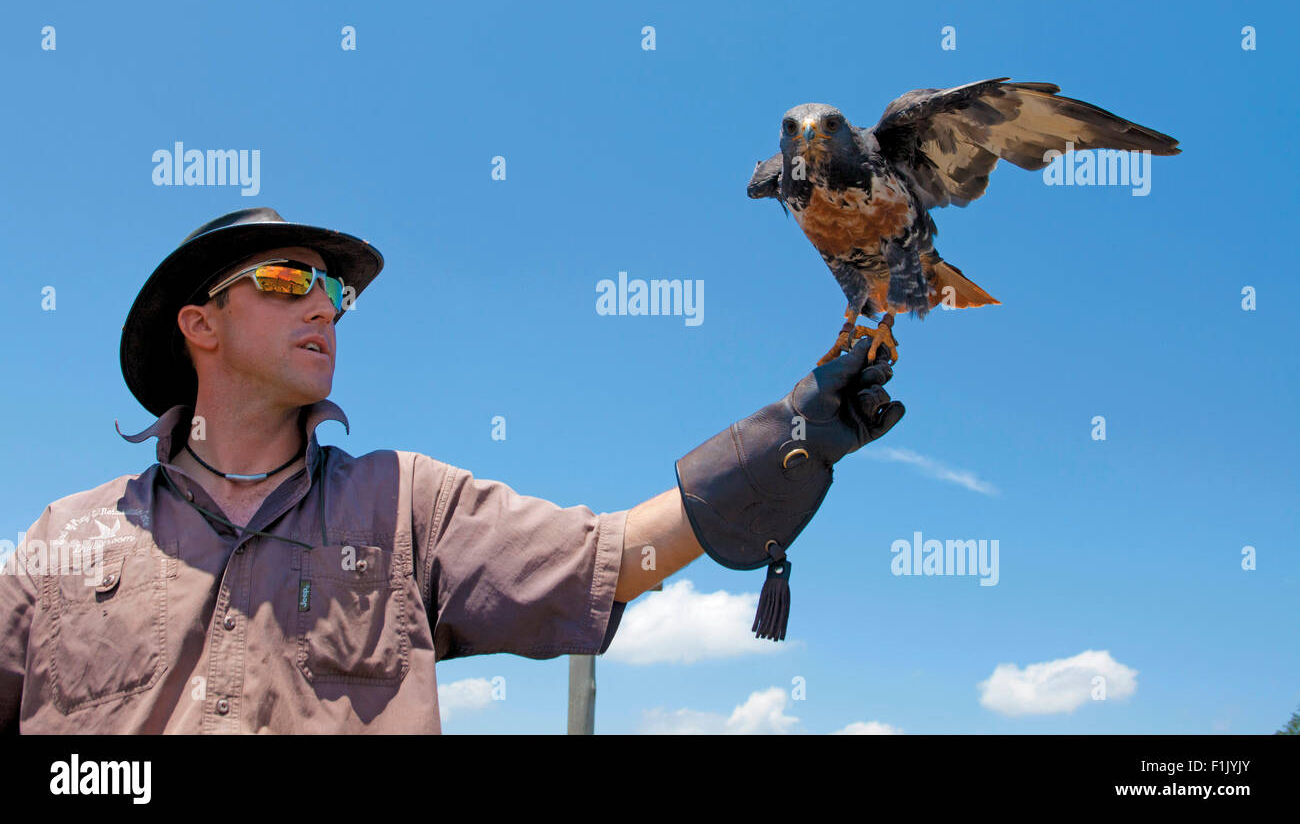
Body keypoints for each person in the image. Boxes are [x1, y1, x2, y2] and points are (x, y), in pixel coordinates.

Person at [0, 208, 903, 733]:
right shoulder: (64, 539)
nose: (325, 304)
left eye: (336, 292)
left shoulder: (406, 506)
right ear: (200, 326)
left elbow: (612, 554)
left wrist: (784, 439)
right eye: (286, 281)